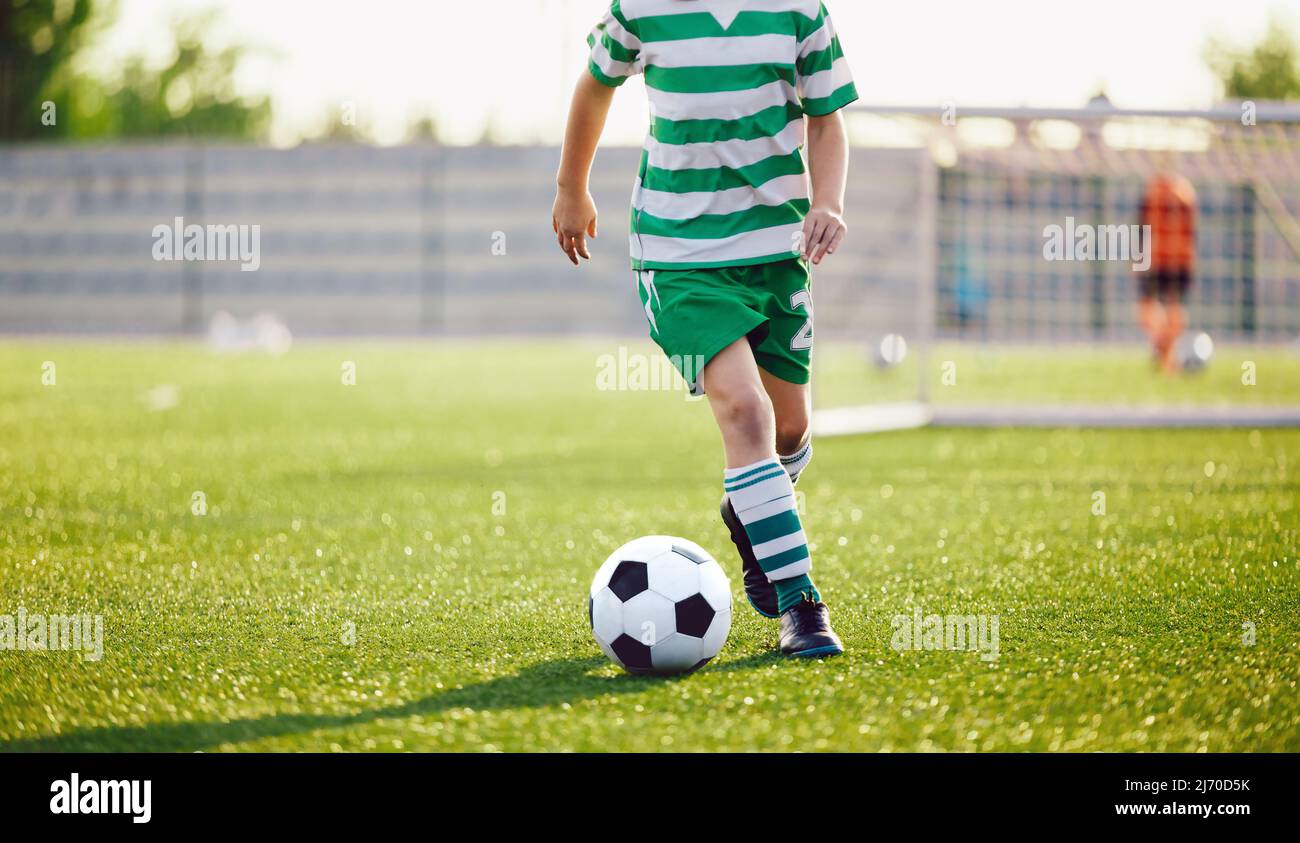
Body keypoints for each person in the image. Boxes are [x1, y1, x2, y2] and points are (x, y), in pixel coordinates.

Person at [551, 0, 857, 657]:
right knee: (745, 414)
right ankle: (801, 604)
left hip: (777, 253)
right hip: (679, 254)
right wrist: (571, 186)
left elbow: (827, 120)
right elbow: (594, 86)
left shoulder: (800, 11)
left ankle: (747, 507)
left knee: (790, 428)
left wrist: (828, 202)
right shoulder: (640, 9)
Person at [1138, 169, 1197, 374]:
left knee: (1169, 308)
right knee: (1154, 309)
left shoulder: (1179, 194)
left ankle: (1167, 354)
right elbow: (1142, 228)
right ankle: (1165, 351)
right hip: (1161, 258)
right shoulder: (1161, 193)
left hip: (1172, 259)